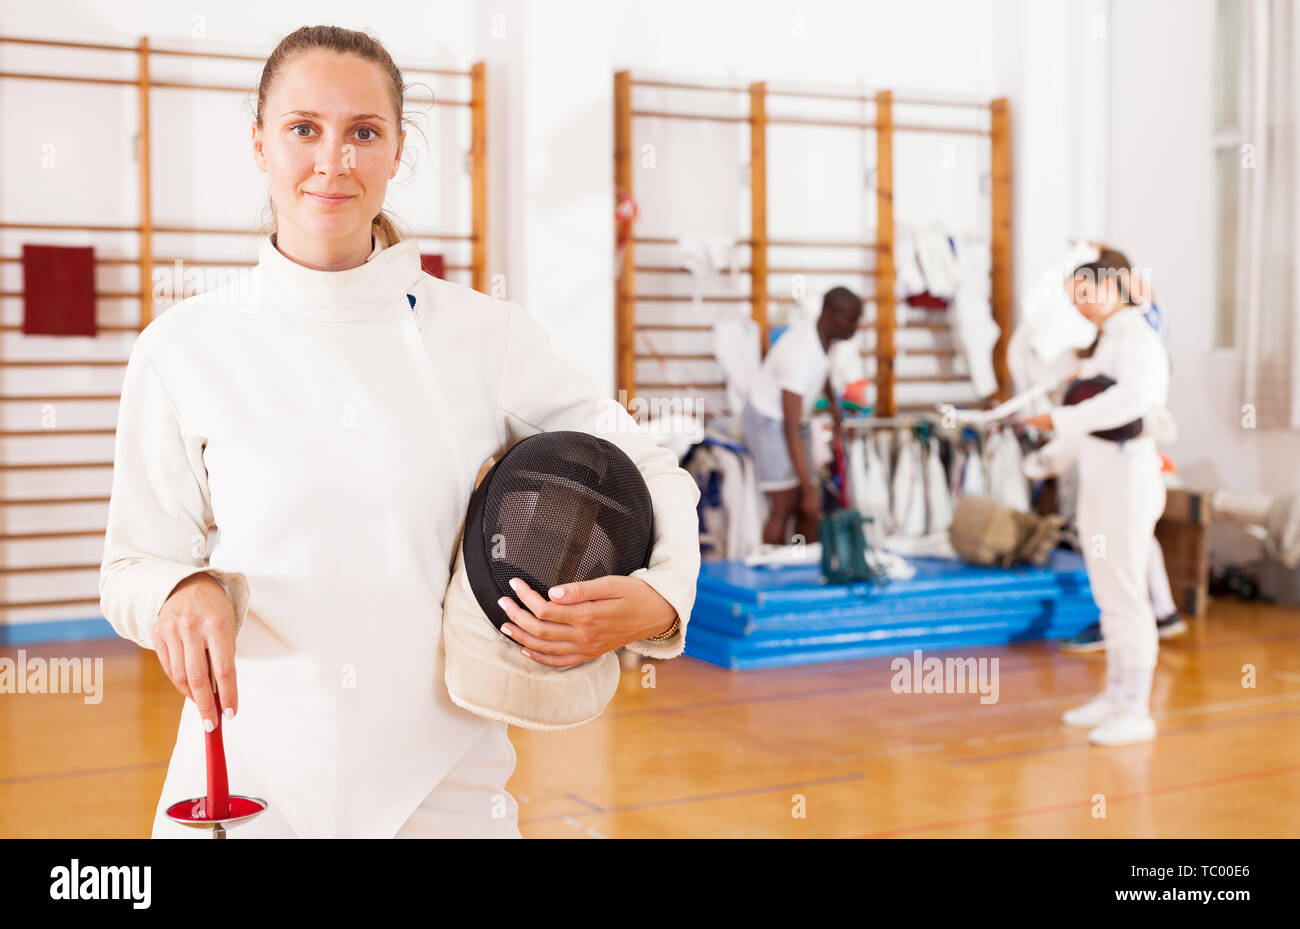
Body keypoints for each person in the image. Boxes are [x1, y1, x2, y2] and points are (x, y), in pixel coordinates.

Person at [98, 25, 702, 839]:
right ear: (260, 144)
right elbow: (132, 563)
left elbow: (647, 463)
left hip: (451, 788)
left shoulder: (485, 337)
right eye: (304, 128)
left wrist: (661, 598)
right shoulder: (184, 347)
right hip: (252, 787)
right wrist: (179, 590)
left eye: (364, 133)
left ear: (396, 150)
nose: (333, 160)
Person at [1023, 249, 1170, 746]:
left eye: (1088, 293)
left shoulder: (1140, 341)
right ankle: (1115, 692)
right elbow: (1088, 420)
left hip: (1130, 482)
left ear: (1116, 285)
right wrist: (1047, 457)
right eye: (1076, 299)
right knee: (1107, 590)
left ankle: (1137, 707)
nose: (1083, 305)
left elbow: (1131, 402)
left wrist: (1058, 420)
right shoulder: (1105, 344)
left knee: (1128, 591)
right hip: (1100, 484)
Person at [741, 287, 863, 545]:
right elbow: (789, 427)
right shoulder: (799, 353)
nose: (856, 327)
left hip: (793, 420)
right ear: (830, 316)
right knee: (786, 501)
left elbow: (824, 369)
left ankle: (800, 565)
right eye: (852, 320)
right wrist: (806, 490)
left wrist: (834, 407)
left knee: (809, 506)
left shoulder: (825, 337)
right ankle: (770, 572)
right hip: (767, 418)